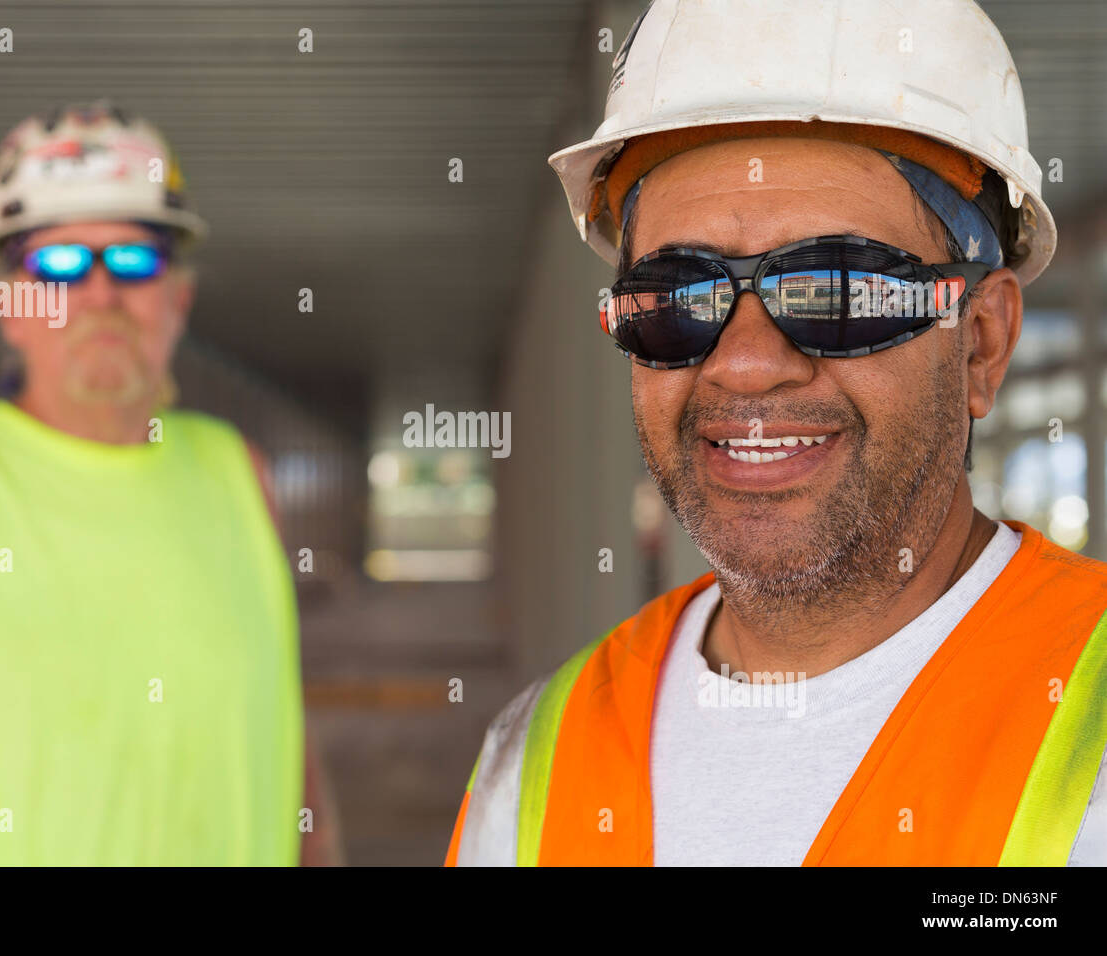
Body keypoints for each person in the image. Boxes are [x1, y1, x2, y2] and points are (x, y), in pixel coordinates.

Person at [446, 0, 1106, 866]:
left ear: (981, 343)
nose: (745, 363)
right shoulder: (539, 757)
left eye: (835, 287)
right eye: (681, 299)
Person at [0, 102, 339, 865]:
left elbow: (294, 765)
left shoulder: (239, 475)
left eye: (133, 261)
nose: (98, 294)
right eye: (58, 264)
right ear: (8, 305)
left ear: (178, 300)